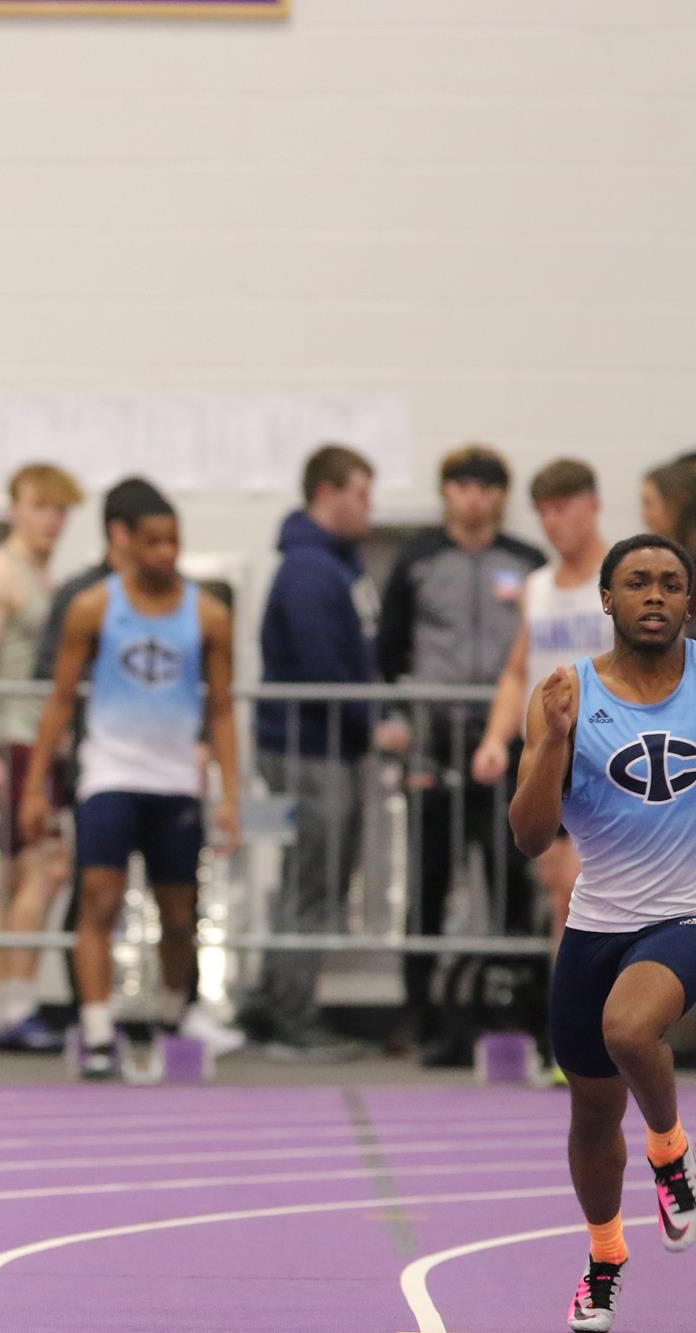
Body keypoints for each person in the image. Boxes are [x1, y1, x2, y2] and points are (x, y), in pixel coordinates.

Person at [510, 534, 696, 1333]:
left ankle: (669, 1145)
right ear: (609, 600)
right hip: (596, 924)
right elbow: (528, 834)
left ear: (689, 600)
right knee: (589, 1115)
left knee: (630, 1027)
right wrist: (552, 739)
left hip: (687, 911)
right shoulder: (566, 693)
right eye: (638, 582)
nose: (656, 595)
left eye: (672, 583)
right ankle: (605, 1255)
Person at [21, 481, 242, 1079]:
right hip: (110, 773)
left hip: (174, 779)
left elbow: (221, 710)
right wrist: (34, 785)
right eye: (153, 542)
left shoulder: (209, 614)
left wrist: (231, 797)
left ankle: (172, 1016)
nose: (165, 552)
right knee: (100, 899)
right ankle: (96, 1027)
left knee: (178, 912)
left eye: (174, 541)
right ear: (129, 544)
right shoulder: (94, 606)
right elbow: (60, 700)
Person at [378, 444, 546, 1062]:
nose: (474, 498)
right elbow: (389, 647)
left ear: (502, 496)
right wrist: (399, 720)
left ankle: (514, 1004)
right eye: (462, 486)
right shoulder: (418, 560)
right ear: (446, 493)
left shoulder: (528, 564)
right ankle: (417, 1010)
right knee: (429, 878)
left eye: (486, 487)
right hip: (438, 739)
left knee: (511, 875)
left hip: (513, 741)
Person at [240, 445, 379, 1059]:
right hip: (311, 748)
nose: (369, 509)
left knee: (312, 879)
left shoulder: (334, 567)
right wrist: (373, 724)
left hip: (321, 745)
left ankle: (274, 1001)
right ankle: (290, 1016)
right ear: (328, 494)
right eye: (361, 494)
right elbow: (326, 668)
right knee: (313, 881)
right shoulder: (311, 571)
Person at [0, 463, 83, 1051]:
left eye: (61, 510)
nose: (52, 520)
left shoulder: (42, 576)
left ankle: (5, 1008)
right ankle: (13, 1008)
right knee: (39, 870)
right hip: (14, 740)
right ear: (15, 508)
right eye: (42, 506)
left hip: (40, 742)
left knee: (22, 875)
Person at [473, 460, 611, 955]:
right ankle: (572, 1019)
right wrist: (494, 738)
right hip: (551, 760)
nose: (552, 522)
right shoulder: (538, 587)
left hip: (610, 760)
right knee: (561, 896)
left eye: (563, 508)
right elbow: (516, 670)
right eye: (543, 512)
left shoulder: (621, 582)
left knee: (588, 892)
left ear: (592, 506)